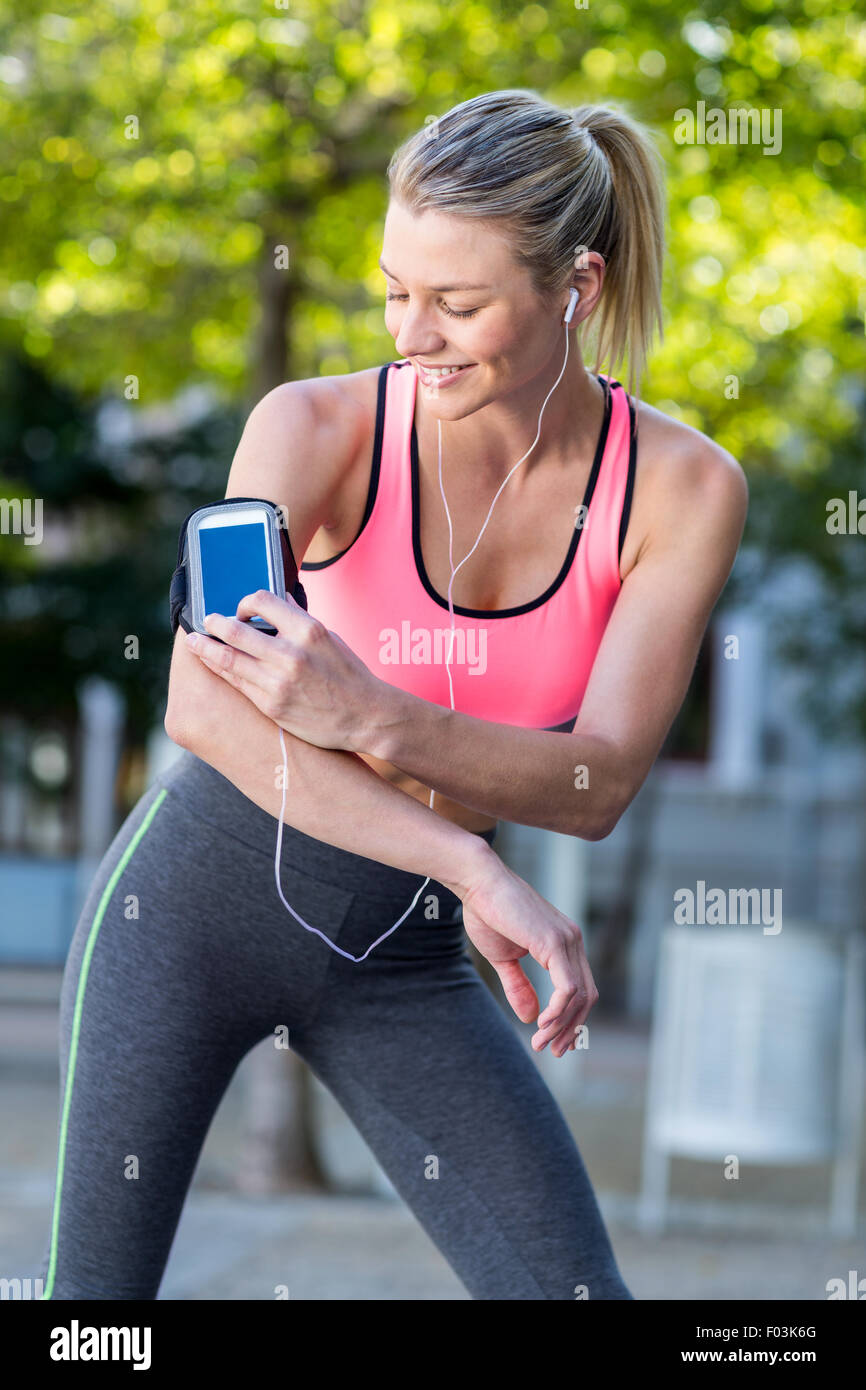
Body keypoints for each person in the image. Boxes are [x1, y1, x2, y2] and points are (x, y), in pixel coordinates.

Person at [37, 89, 747, 1302]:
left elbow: (599, 779)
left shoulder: (679, 488)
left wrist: (373, 715)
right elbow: (204, 711)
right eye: (392, 291)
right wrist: (470, 866)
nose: (411, 334)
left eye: (457, 304)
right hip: (189, 910)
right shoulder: (309, 428)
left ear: (573, 287)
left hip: (397, 957)